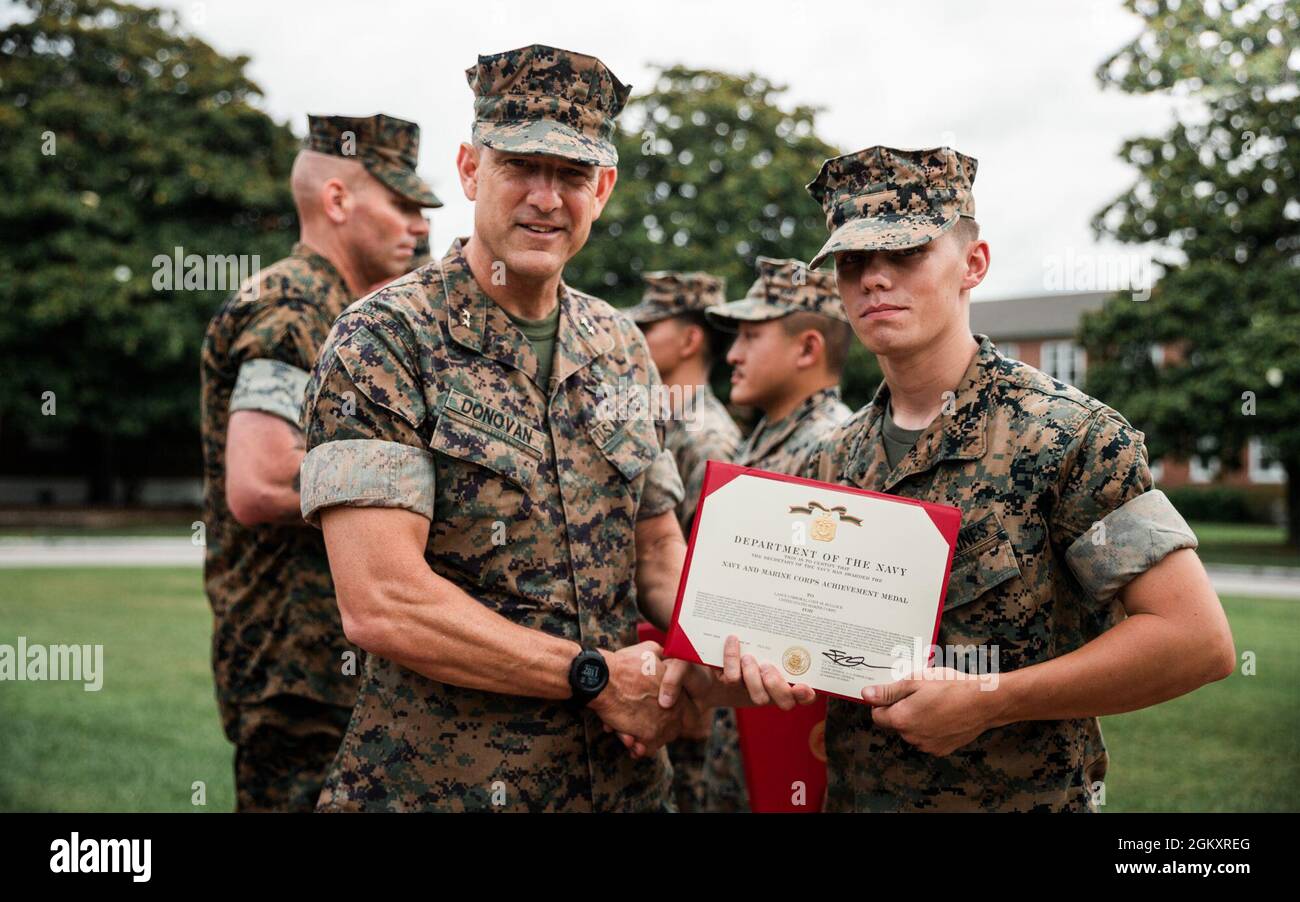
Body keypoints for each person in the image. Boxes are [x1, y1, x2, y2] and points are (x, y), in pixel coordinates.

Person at [298, 44, 805, 813]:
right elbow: (383, 600)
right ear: (470, 170)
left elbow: (657, 549)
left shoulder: (621, 346)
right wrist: (593, 677)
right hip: (441, 788)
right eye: (520, 166)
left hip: (621, 788)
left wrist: (736, 639)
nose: (545, 197)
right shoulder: (384, 339)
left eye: (571, 174)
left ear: (602, 188)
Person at [801, 144, 1234, 811]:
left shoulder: (1068, 437)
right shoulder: (830, 458)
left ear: (973, 264)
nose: (874, 279)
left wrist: (990, 700)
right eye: (852, 261)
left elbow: (1195, 641)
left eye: (907, 252)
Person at [199, 113, 440, 811]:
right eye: (401, 204)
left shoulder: (348, 308)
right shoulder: (293, 305)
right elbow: (260, 481)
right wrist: (428, 485)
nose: (419, 225)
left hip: (332, 660)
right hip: (297, 668)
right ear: (337, 200)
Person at [699, 256, 855, 811]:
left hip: (790, 750)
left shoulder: (834, 449)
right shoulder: (765, 439)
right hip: (741, 742)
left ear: (807, 349)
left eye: (750, 335)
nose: (732, 354)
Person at [625, 270, 742, 811]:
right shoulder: (659, 420)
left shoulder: (709, 438)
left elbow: (713, 574)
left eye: (652, 326)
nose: (637, 334)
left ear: (691, 339)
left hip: (689, 679)